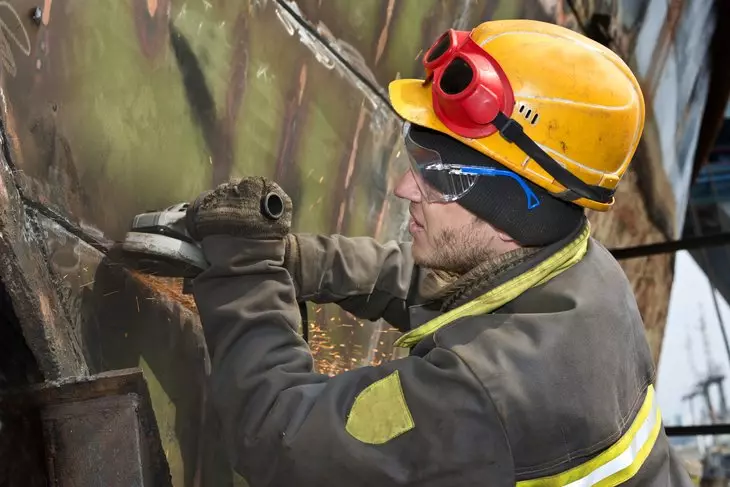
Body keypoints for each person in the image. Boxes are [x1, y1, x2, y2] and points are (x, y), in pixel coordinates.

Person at [184, 19, 693, 486]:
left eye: (435, 174)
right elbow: (438, 286)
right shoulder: (581, 271)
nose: (407, 187)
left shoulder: (483, 395)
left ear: (510, 211)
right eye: (416, 157)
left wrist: (245, 274)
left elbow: (281, 439)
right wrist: (299, 260)